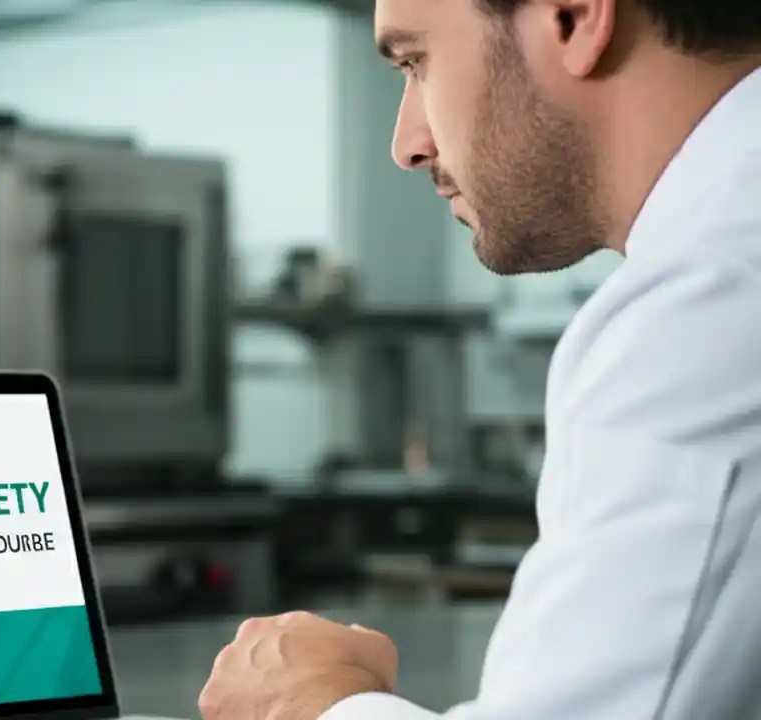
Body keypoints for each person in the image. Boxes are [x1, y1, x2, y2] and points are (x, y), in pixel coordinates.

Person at [198, 0, 761, 717]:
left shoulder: (708, 302)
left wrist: (308, 701)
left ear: (574, 16)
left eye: (416, 62)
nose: (406, 144)